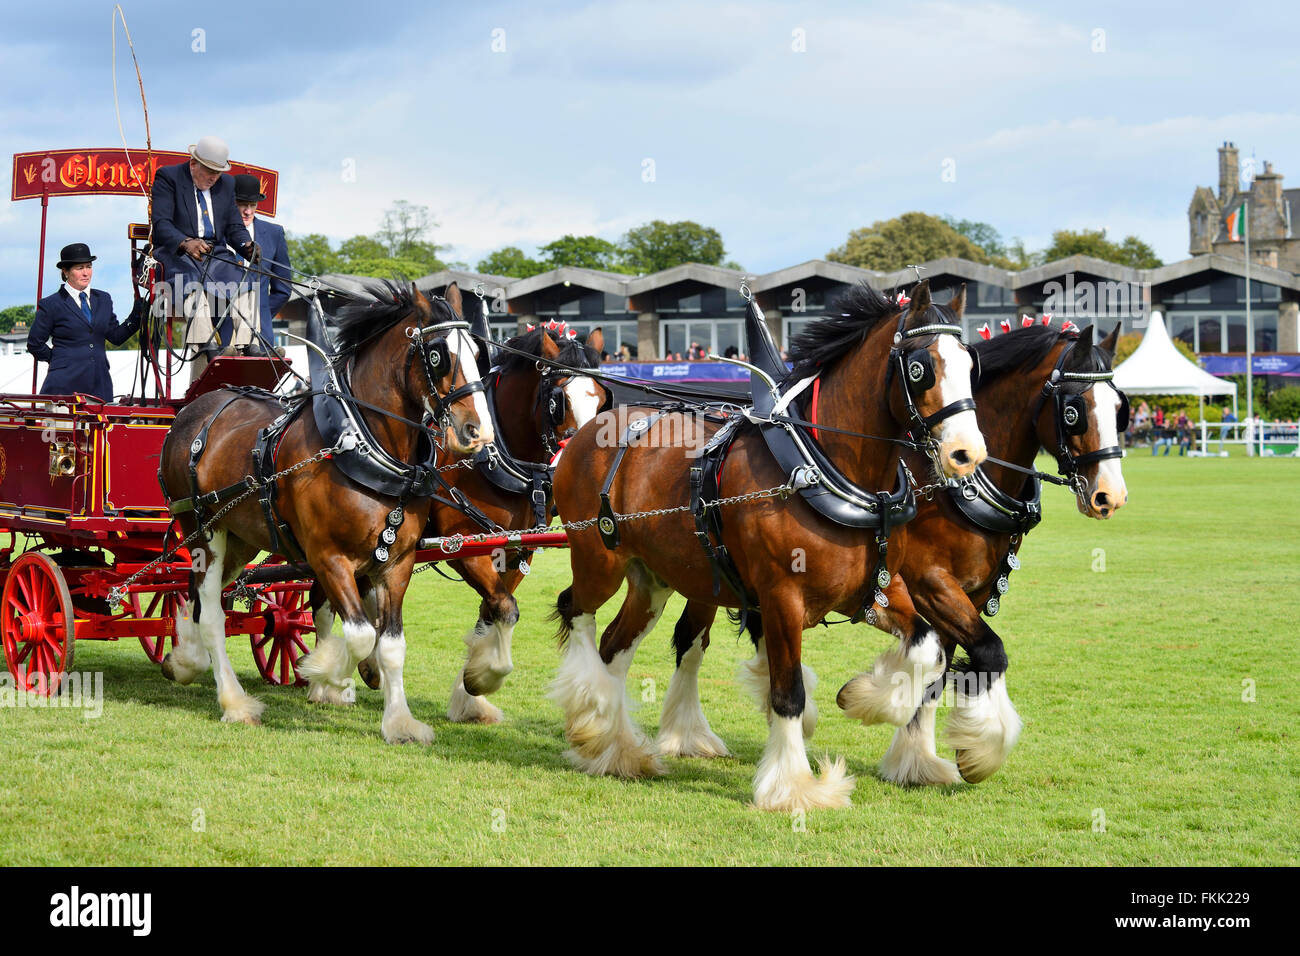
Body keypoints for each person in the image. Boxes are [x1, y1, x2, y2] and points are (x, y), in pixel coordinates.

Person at [150, 136, 259, 368]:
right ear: (193, 163)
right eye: (209, 171)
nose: (213, 177)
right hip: (177, 253)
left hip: (214, 254)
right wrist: (185, 241)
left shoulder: (227, 185)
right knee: (190, 282)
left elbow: (234, 227)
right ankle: (205, 344)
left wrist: (246, 245)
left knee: (245, 282)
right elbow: (161, 224)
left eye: (218, 173)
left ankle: (251, 345)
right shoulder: (168, 178)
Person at [27, 243, 143, 400]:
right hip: (63, 386)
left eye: (88, 266)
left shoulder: (103, 299)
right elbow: (35, 343)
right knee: (61, 426)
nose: (86, 273)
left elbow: (116, 337)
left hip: (99, 385)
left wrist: (136, 315)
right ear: (65, 271)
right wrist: (60, 360)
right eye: (79, 268)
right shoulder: (51, 304)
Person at [225, 174, 291, 356]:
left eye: (252, 205)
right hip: (220, 333)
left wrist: (258, 316)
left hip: (260, 337)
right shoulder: (215, 232)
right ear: (232, 204)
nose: (248, 211)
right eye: (242, 205)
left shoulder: (274, 233)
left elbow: (283, 289)